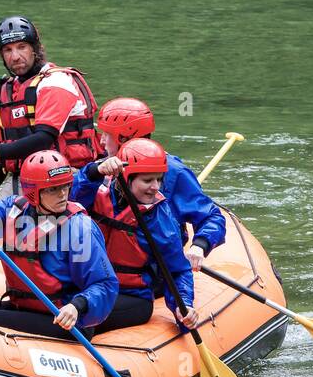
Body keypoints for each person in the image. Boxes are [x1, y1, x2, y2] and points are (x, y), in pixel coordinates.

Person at [0, 150, 117, 340]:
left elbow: (104, 284)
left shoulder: (80, 228)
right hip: (25, 308)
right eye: (53, 189)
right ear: (33, 193)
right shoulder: (14, 210)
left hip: (65, 318)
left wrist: (77, 306)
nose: (62, 194)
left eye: (65, 186)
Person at [0, 16, 99, 204]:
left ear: (35, 48)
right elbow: (4, 150)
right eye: (8, 50)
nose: (15, 56)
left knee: (16, 222)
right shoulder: (7, 90)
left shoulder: (56, 82)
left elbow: (44, 139)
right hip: (23, 179)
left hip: (63, 178)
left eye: (21, 47)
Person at [71, 138, 200, 334]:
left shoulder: (160, 218)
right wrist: (95, 169)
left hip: (130, 297)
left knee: (76, 318)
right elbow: (74, 194)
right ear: (127, 178)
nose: (156, 187)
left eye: (159, 179)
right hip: (90, 286)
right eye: (147, 180)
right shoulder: (97, 193)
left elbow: (177, 271)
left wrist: (183, 306)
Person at [92, 97, 226, 271]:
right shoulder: (103, 167)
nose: (101, 141)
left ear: (124, 138)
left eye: (106, 135)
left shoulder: (174, 172)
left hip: (151, 271)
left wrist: (199, 245)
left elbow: (211, 217)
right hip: (104, 268)